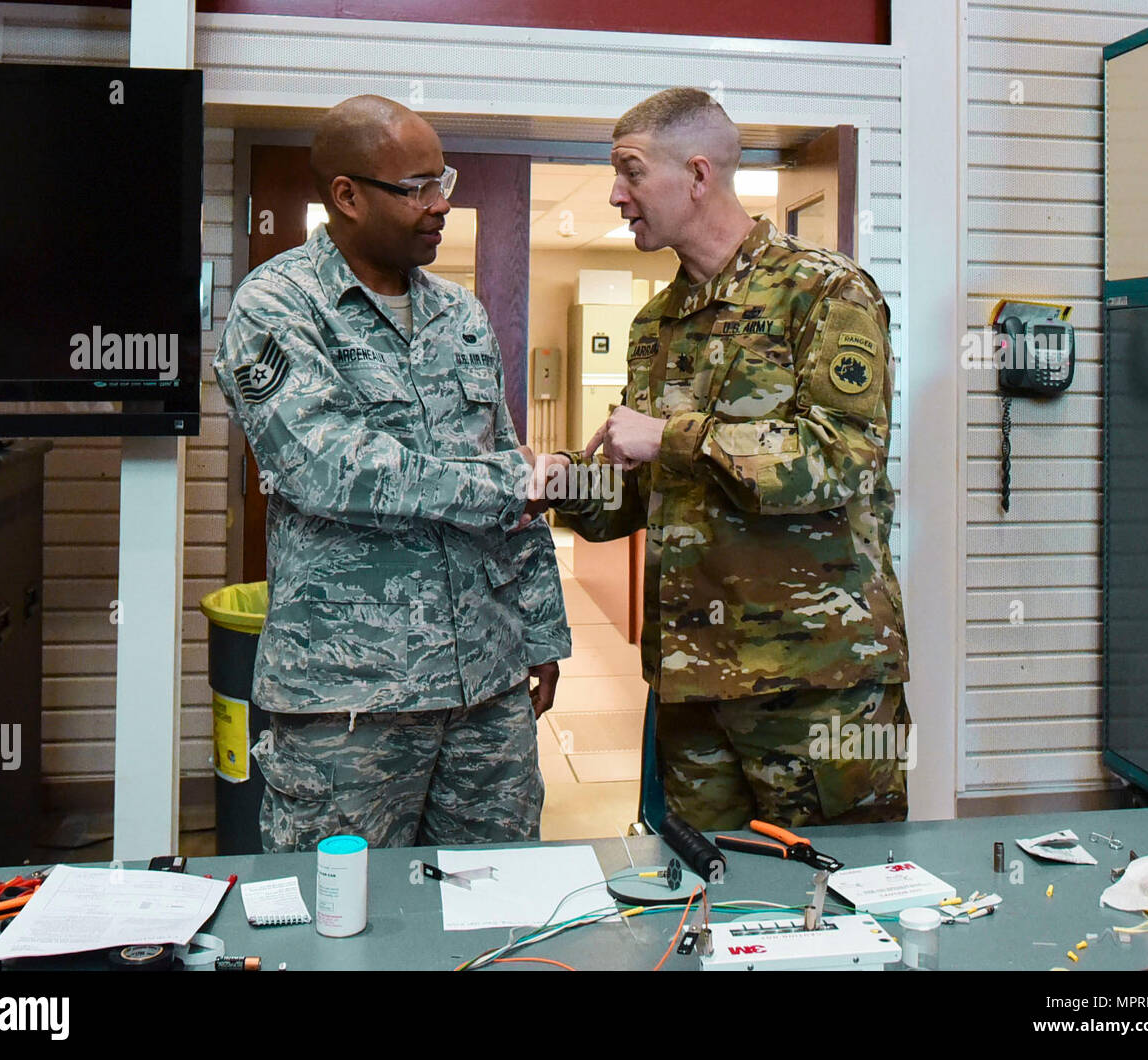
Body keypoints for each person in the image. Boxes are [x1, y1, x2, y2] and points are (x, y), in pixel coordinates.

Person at [539, 87, 910, 830]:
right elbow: (641, 497)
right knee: (708, 901)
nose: (616, 194)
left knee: (836, 904)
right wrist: (561, 481)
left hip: (815, 687)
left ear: (699, 175)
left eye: (631, 172)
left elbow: (845, 457)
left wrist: (672, 435)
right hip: (692, 686)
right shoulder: (656, 324)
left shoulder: (825, 290)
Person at [214, 95, 570, 850]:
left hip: (487, 692)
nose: (443, 204)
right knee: (341, 928)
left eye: (443, 179)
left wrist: (541, 631)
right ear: (346, 196)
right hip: (349, 704)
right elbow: (325, 465)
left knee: (497, 913)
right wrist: (510, 482)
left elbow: (509, 461)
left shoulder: (462, 315)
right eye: (418, 189)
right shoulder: (276, 306)